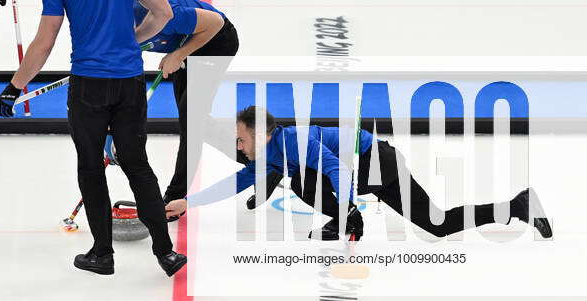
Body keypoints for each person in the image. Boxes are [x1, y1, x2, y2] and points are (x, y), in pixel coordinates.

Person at [0, 0, 187, 277]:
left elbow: (45, 41)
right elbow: (163, 12)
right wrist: (134, 40)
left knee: (90, 167)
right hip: (130, 82)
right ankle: (165, 253)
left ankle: (102, 254)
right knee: (138, 166)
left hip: (90, 87)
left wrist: (14, 87)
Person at [165, 106, 554, 241]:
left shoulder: (296, 142)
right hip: (355, 166)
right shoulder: (268, 155)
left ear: (264, 135)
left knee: (436, 224)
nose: (237, 146)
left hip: (378, 164)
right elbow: (237, 181)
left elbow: (337, 172)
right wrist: (190, 201)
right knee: (295, 179)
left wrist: (350, 209)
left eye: (241, 139)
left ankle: (516, 205)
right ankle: (342, 220)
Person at [134, 0, 240, 203]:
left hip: (215, 41)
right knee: (196, 122)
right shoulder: (109, 27)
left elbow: (215, 23)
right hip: (186, 43)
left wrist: (179, 54)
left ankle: (174, 197)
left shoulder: (163, 13)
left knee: (191, 122)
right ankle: (263, 162)